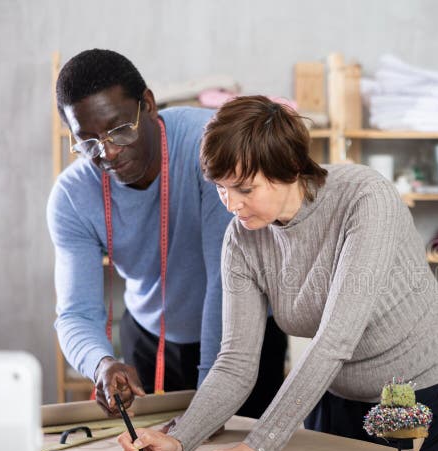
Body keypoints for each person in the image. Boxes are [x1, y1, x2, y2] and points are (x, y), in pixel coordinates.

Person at [118, 95, 438, 451]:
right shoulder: (242, 238)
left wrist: (258, 445)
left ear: (287, 168)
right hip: (333, 394)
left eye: (245, 189)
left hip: (410, 395)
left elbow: (336, 339)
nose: (231, 205)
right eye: (221, 189)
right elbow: (236, 361)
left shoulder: (365, 199)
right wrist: (182, 438)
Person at [47, 50, 287, 417]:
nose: (108, 152)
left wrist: (210, 402)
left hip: (242, 334)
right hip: (149, 340)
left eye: (118, 130)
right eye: (88, 142)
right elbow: (76, 312)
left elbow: (226, 284)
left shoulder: (209, 147)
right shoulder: (72, 196)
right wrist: (101, 364)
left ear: (148, 104)